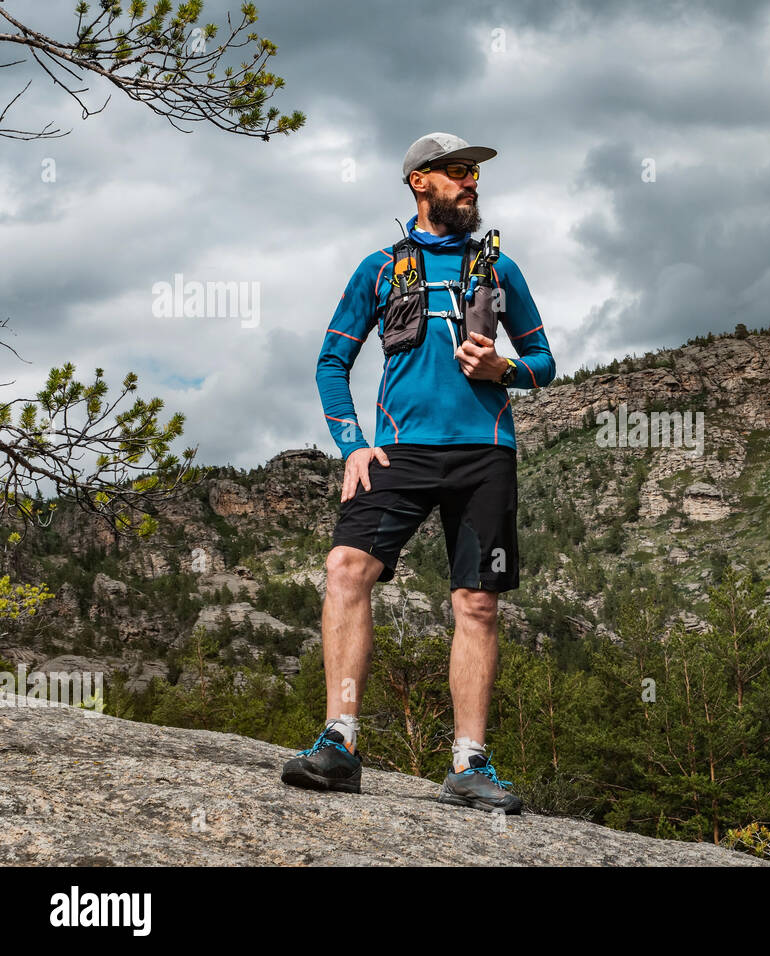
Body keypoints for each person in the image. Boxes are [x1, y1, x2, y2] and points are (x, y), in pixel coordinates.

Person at [280, 132, 555, 814]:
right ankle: (339, 743)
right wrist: (352, 444)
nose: (471, 184)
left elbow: (545, 361)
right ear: (419, 183)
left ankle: (469, 764)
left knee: (479, 603)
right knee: (346, 568)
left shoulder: (501, 270)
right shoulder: (377, 269)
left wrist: (505, 371)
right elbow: (330, 362)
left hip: (485, 453)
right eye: (457, 172)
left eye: (474, 175)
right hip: (399, 453)